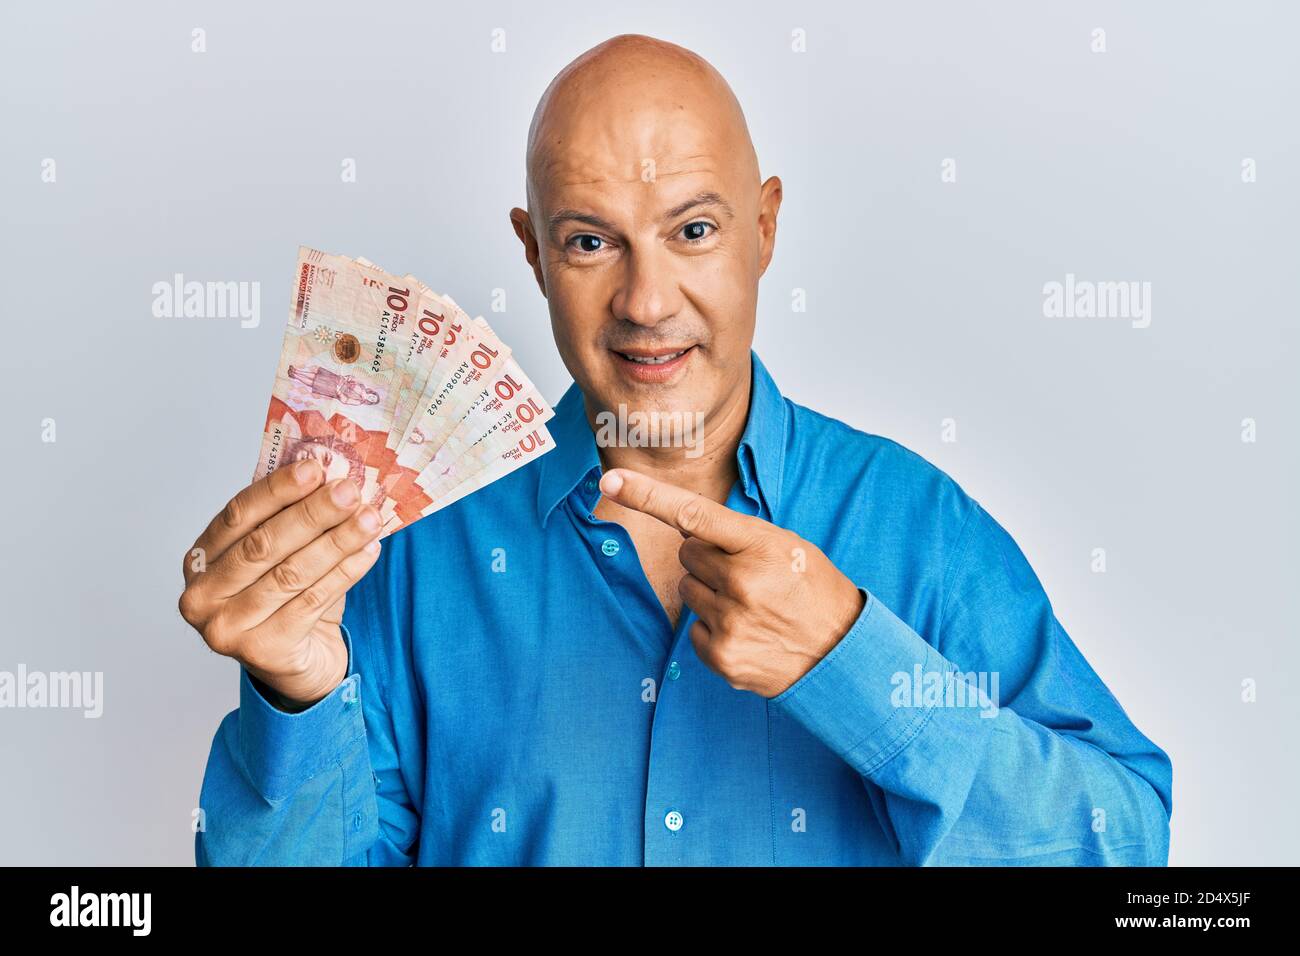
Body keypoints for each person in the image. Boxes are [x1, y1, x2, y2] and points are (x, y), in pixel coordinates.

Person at [181, 34, 1172, 865]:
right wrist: (296, 691)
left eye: (692, 229)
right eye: (589, 242)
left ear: (764, 228)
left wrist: (853, 663)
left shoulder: (918, 525)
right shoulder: (412, 551)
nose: (647, 302)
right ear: (531, 251)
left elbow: (1125, 847)